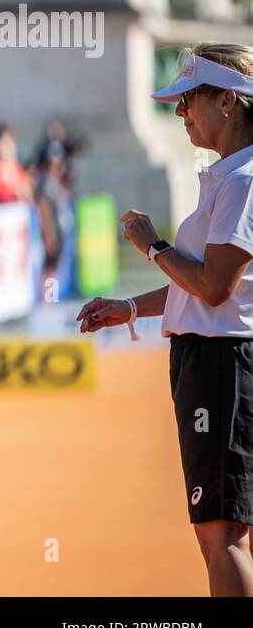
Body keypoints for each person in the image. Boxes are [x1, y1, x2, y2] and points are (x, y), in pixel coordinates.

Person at [78, 43, 253, 597]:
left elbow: (213, 287)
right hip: (217, 359)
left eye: (188, 99)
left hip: (223, 364)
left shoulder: (244, 181)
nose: (180, 113)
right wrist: (130, 308)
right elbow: (201, 285)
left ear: (228, 100)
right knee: (231, 532)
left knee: (220, 534)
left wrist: (151, 245)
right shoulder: (230, 177)